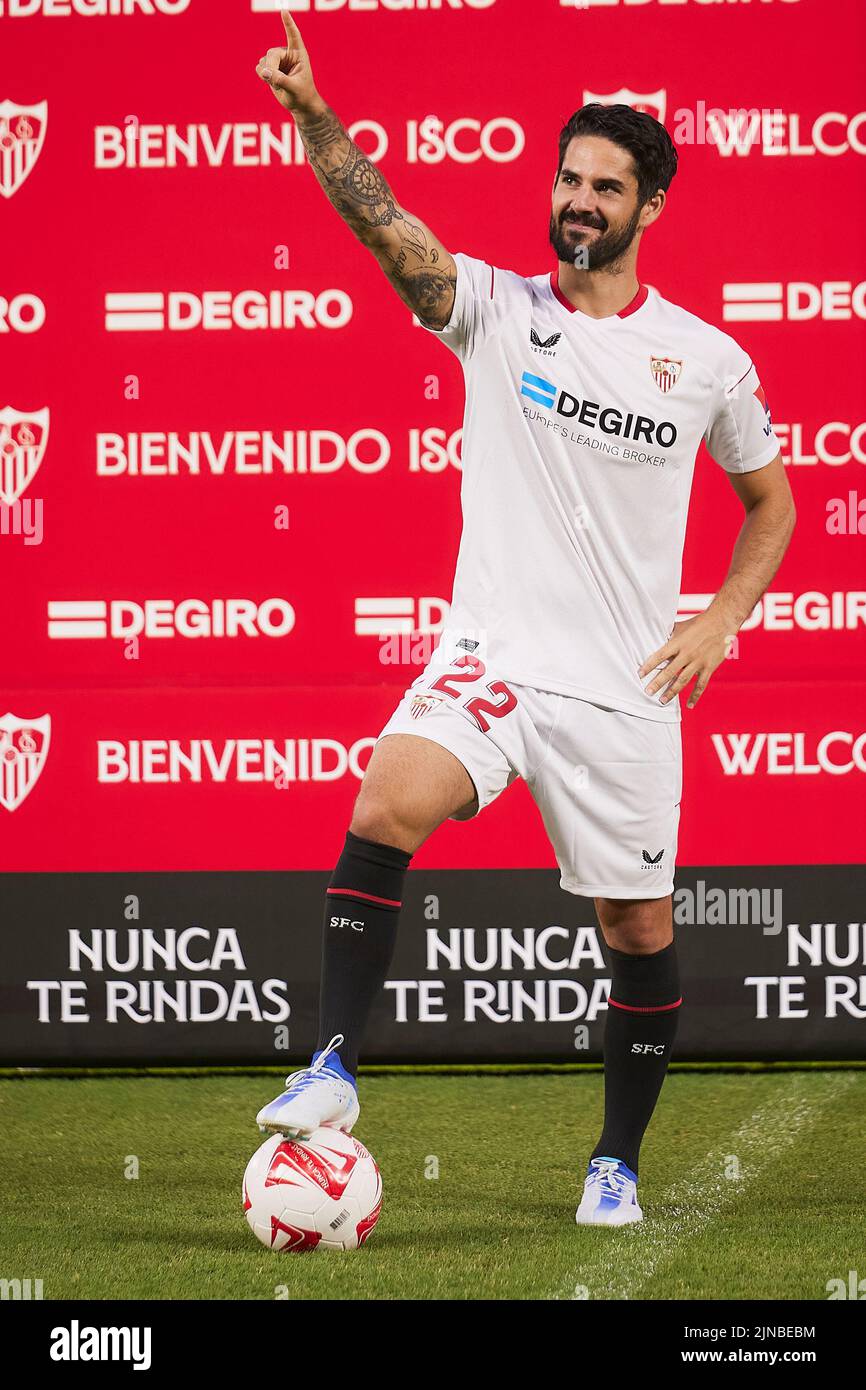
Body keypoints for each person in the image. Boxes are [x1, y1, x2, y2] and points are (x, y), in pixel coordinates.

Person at [254, 11, 795, 1226]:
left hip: (622, 687)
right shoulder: (493, 310)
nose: (577, 201)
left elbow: (771, 501)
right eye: (566, 178)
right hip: (493, 655)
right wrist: (311, 114)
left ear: (648, 205)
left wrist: (718, 618)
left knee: (634, 923)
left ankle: (615, 1160)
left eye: (605, 186)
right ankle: (332, 1068)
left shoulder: (703, 360)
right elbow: (385, 232)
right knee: (384, 800)